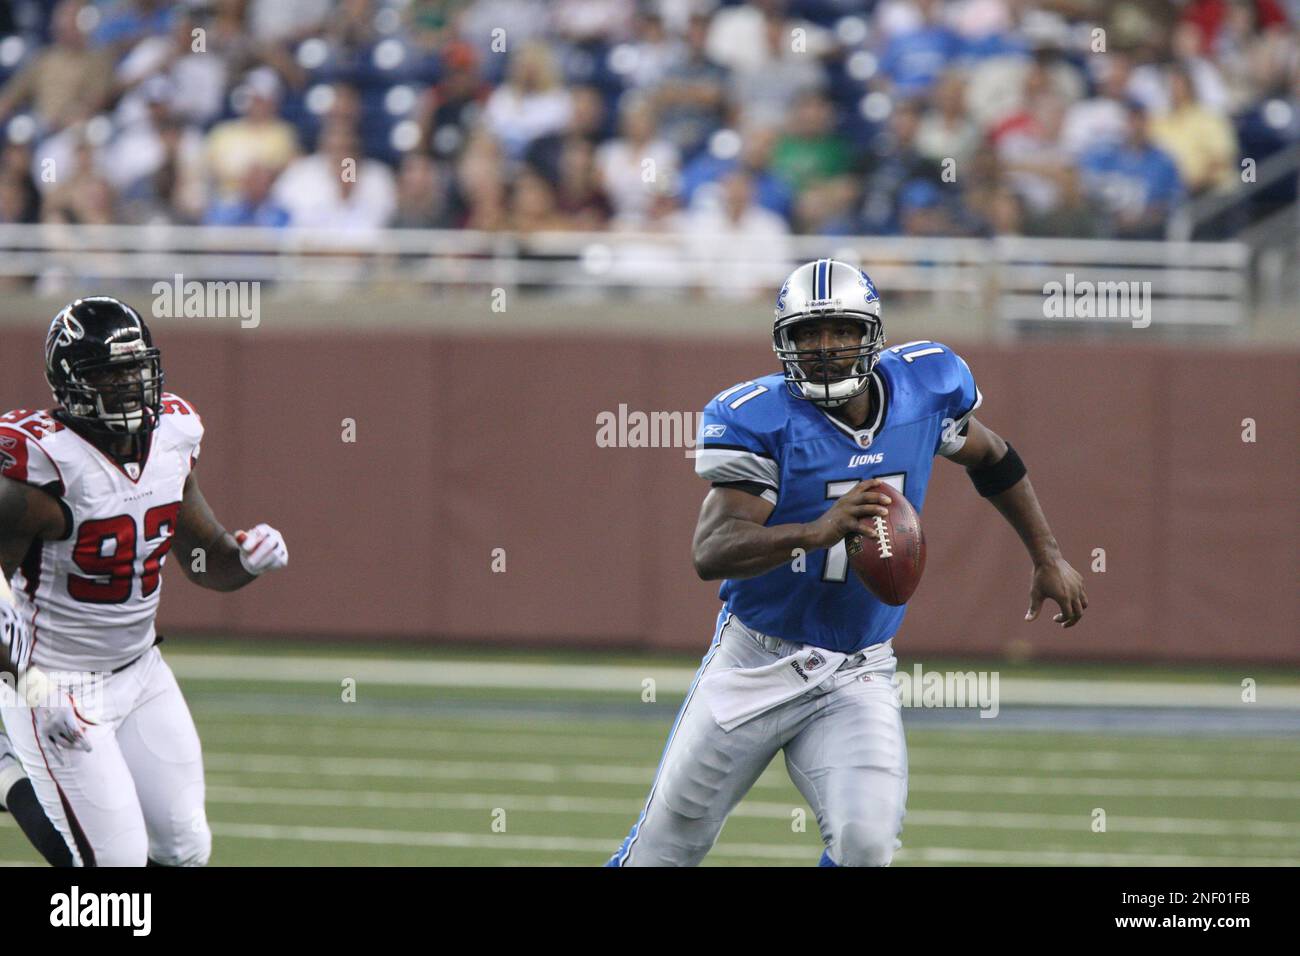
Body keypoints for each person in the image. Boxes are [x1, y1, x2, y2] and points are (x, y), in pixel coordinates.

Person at [607, 258, 1087, 866]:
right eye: (809, 334)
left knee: (866, 847)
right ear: (787, 343)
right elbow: (712, 552)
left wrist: (1047, 556)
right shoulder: (758, 418)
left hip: (857, 668)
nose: (826, 347)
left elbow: (993, 457)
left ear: (871, 335)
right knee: (665, 850)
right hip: (756, 660)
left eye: (841, 330)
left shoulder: (925, 389)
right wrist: (814, 531)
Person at [0, 296, 289, 866]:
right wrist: (32, 689)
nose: (128, 384)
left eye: (135, 368)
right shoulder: (41, 470)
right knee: (116, 872)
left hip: (140, 672)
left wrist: (247, 560)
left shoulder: (173, 438)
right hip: (55, 683)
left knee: (184, 850)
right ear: (71, 383)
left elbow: (207, 562)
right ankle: (7, 769)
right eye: (108, 372)